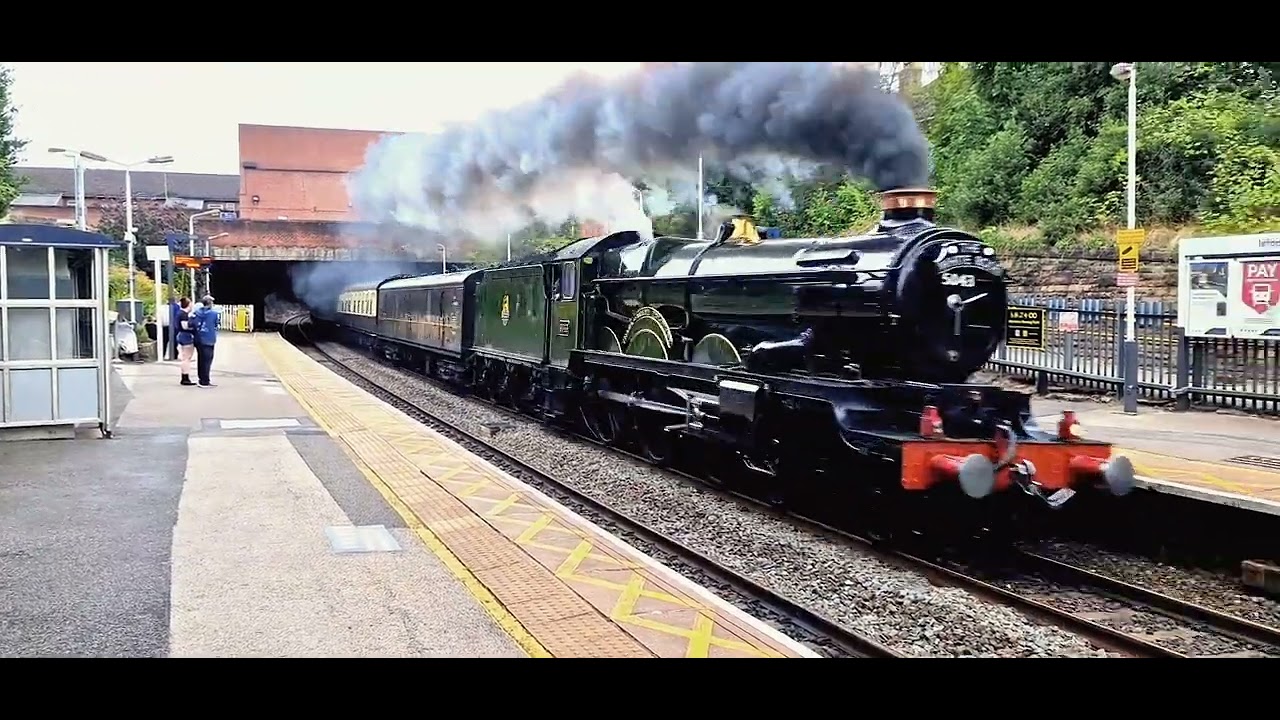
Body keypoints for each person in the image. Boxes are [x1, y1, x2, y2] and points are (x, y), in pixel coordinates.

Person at [190, 295, 220, 388]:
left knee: (201, 359)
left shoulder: (196, 313)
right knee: (207, 361)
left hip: (198, 338)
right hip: (209, 339)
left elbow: (191, 323)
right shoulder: (213, 314)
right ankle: (205, 381)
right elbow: (216, 324)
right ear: (210, 303)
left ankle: (201, 379)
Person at [175, 297, 196, 386]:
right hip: (186, 336)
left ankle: (184, 377)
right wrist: (193, 327)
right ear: (188, 304)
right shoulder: (183, 314)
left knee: (185, 357)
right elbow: (185, 326)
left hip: (181, 335)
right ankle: (185, 377)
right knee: (187, 358)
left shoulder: (179, 313)